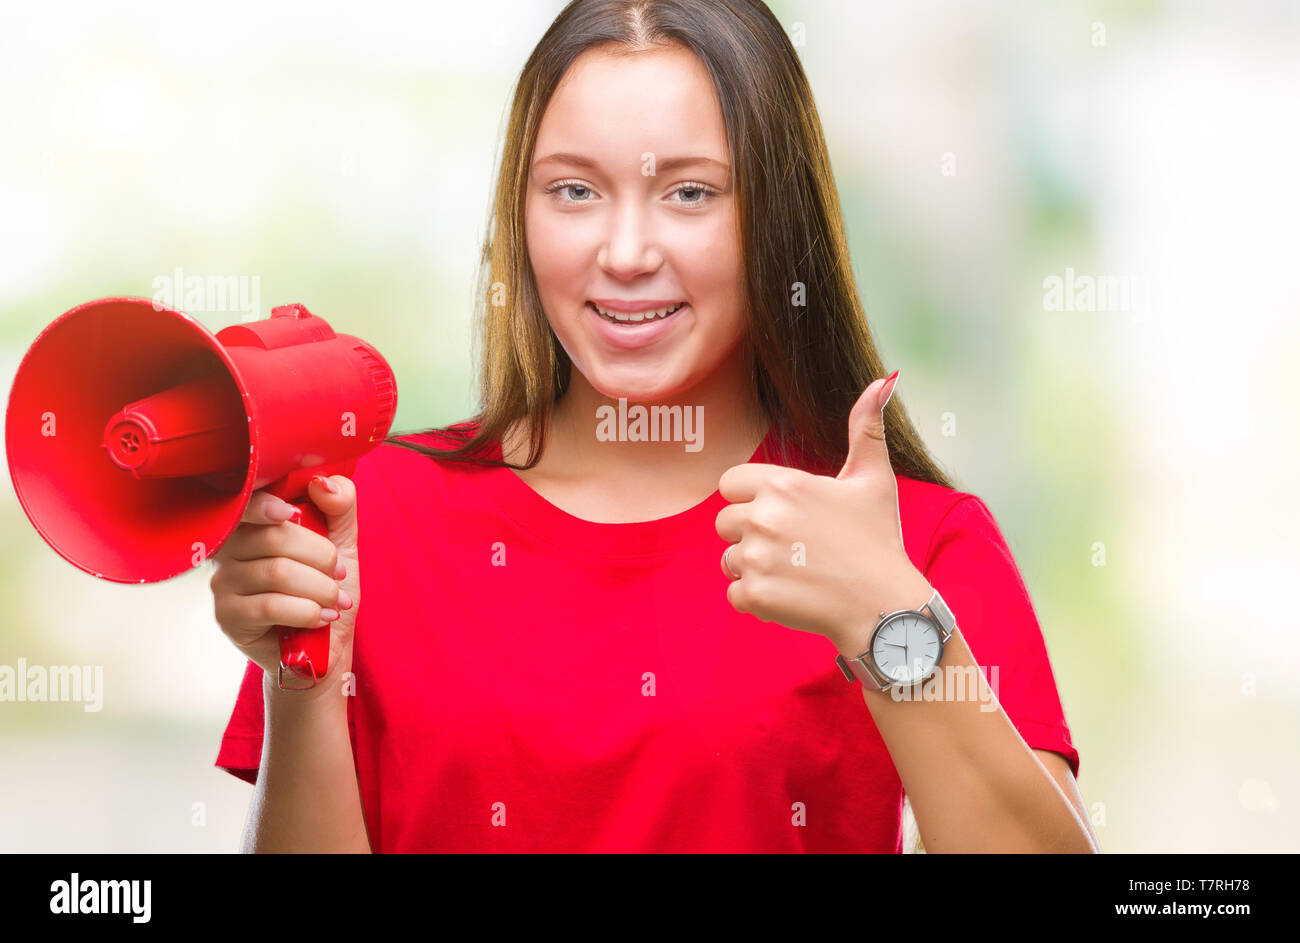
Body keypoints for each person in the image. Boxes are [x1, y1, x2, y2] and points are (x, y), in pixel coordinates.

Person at [211, 0, 1097, 853]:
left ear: (776, 220)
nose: (627, 252)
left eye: (688, 193)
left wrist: (888, 620)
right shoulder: (370, 516)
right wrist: (305, 680)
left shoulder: (912, 544)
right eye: (572, 189)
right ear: (520, 218)